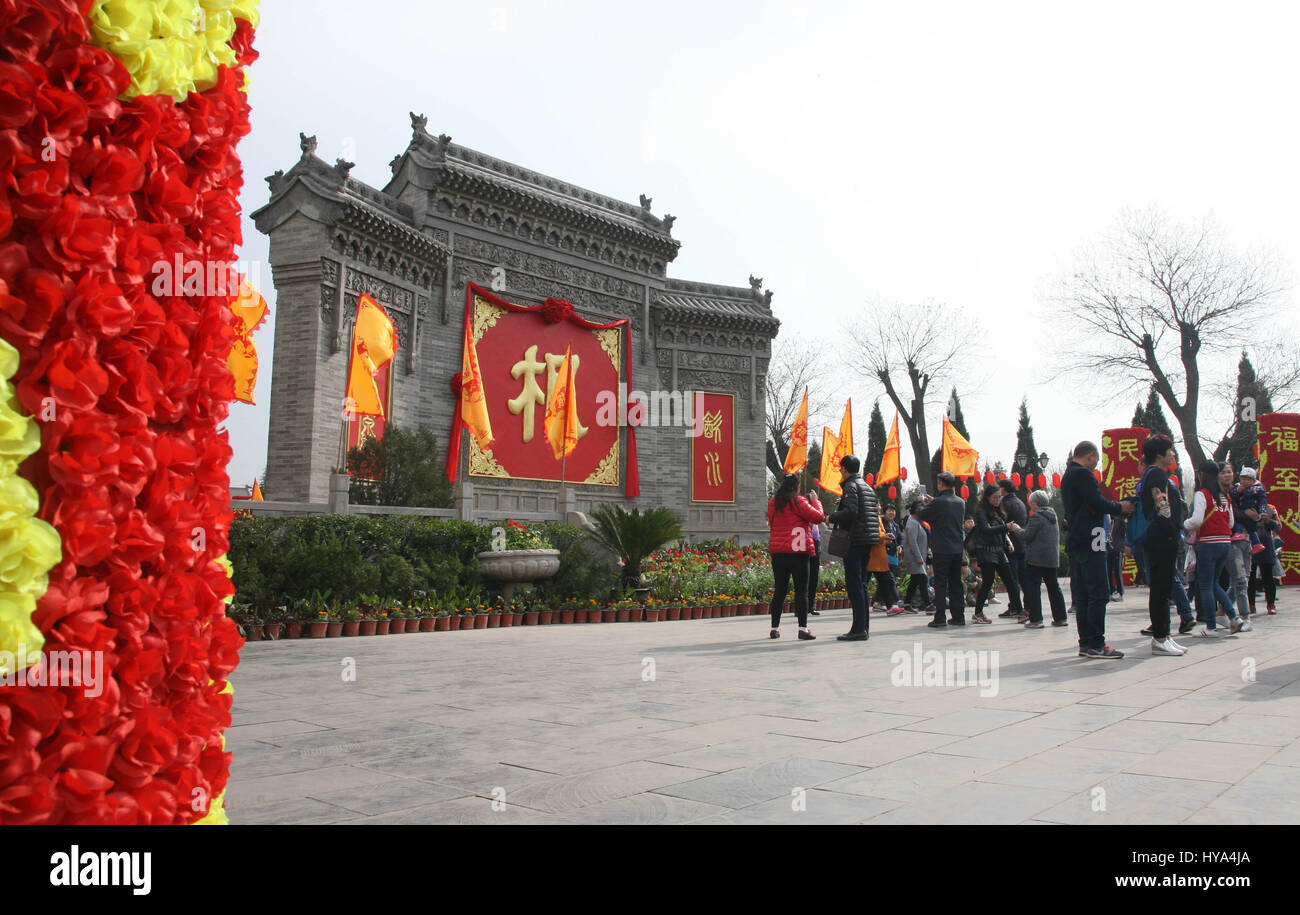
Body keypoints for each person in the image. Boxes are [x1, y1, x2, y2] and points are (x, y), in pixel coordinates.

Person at [1061, 440, 1134, 659]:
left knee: (1083, 593)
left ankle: (1086, 642)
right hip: (1091, 538)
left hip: (1077, 538)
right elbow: (1098, 503)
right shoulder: (1083, 475)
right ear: (1090, 455)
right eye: (1096, 460)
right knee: (1099, 592)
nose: (1096, 465)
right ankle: (1096, 642)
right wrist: (1120, 507)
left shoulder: (1068, 475)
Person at [1128, 435, 1188, 656]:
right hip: (1161, 538)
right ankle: (1160, 638)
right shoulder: (1156, 475)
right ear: (1160, 454)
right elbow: (1161, 507)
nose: (1173, 454)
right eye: (1170, 450)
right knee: (1161, 589)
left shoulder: (1156, 475)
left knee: (1163, 589)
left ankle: (1165, 635)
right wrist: (1172, 531)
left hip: (1163, 537)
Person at [1183, 460, 1246, 637]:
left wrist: (1184, 524)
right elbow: (1232, 522)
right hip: (1225, 543)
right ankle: (1234, 617)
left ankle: (1211, 627)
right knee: (1214, 583)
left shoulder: (1202, 494)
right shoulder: (1225, 496)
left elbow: (1195, 520)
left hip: (1208, 543)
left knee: (1205, 586)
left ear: (1202, 475)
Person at [766, 473, 824, 640]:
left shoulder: (773, 503)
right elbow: (818, 517)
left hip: (779, 553)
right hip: (798, 553)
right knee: (801, 592)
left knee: (780, 591)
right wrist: (816, 501)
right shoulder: (800, 502)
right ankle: (803, 628)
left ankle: (774, 628)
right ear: (797, 487)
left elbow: (773, 521)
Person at [828, 455, 879, 641]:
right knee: (862, 584)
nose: (840, 471)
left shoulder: (851, 486)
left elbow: (851, 512)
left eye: (841, 468)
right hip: (868, 539)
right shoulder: (866, 486)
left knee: (855, 584)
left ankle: (858, 629)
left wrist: (833, 516)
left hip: (855, 540)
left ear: (845, 469)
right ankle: (863, 627)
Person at [968, 485, 1026, 623]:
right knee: (987, 583)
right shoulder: (981, 512)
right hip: (986, 551)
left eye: (999, 497)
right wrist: (1005, 527)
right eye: (995, 497)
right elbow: (987, 530)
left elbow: (1002, 531)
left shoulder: (998, 511)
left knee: (1011, 582)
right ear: (987, 497)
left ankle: (1018, 609)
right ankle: (978, 612)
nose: (997, 500)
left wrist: (1008, 542)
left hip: (1000, 551)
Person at [919, 471, 967, 628]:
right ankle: (958, 616)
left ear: (941, 484)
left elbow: (923, 514)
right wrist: (934, 502)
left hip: (941, 548)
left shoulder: (938, 502)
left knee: (940, 583)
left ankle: (940, 617)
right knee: (956, 583)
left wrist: (923, 502)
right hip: (957, 547)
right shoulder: (960, 502)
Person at [1019, 490, 1067, 627]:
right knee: (1054, 588)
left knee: (1033, 588)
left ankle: (1036, 619)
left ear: (1035, 503)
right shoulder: (1052, 515)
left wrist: (1016, 529)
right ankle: (1060, 617)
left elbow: (1027, 535)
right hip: (1051, 558)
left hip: (1036, 559)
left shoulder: (1037, 517)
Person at [1233, 467, 1277, 614]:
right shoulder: (1239, 497)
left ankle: (1271, 604)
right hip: (1249, 542)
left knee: (1267, 576)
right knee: (1250, 576)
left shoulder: (1270, 508)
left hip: (1265, 542)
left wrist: (1262, 518)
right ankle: (1251, 605)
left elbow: (1278, 526)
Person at [996, 480, 1028, 615]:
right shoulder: (1020, 502)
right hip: (1022, 543)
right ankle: (1028, 605)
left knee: (1012, 578)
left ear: (1003, 489)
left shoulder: (1004, 504)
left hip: (1010, 545)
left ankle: (1015, 606)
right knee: (1024, 578)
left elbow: (1001, 523)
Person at [870, 504, 904, 615]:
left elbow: (899, 538)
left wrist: (897, 544)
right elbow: (874, 534)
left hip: (881, 556)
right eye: (889, 510)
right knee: (887, 579)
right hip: (876, 556)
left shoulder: (893, 524)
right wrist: (884, 537)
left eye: (893, 511)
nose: (879, 507)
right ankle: (895, 603)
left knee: (884, 581)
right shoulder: (875, 519)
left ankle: (885, 605)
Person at [901, 501, 931, 612]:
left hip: (919, 557)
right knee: (922, 579)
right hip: (915, 558)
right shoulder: (912, 523)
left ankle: (907, 603)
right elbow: (913, 543)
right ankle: (928, 604)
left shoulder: (918, 522)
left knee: (914, 581)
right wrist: (919, 558)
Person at [1107, 513, 1126, 601]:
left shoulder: (1120, 521)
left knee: (1117, 570)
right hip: (1108, 548)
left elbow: (1124, 534)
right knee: (1109, 570)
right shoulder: (1107, 521)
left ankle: (1120, 591)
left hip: (1117, 548)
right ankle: (1111, 590)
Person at [807, 510, 823, 615]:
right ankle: (801, 607)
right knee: (804, 579)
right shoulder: (804, 513)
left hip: (815, 545)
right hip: (806, 545)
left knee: (814, 577)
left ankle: (811, 606)